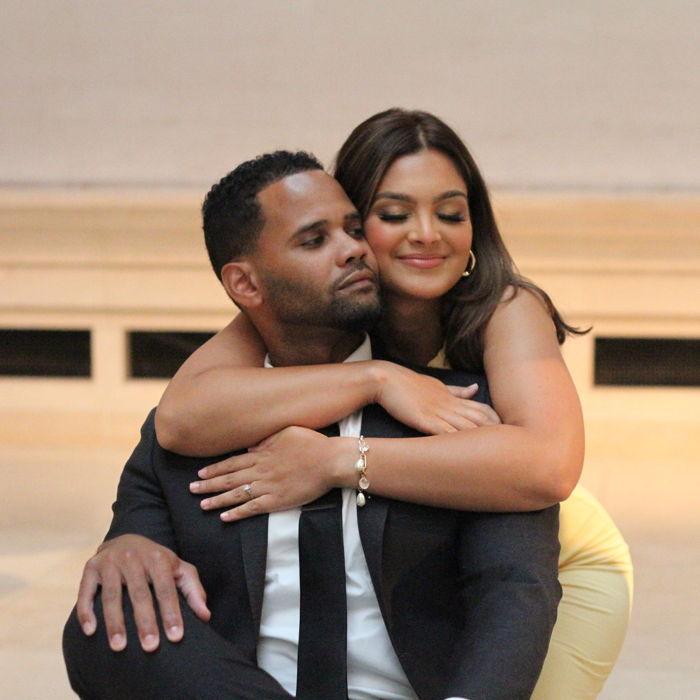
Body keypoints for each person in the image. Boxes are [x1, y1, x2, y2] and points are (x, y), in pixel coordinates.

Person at [153, 109, 633, 698]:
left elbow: (548, 466)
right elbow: (183, 414)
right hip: (445, 544)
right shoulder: (332, 298)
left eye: (451, 214)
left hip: (562, 561)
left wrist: (337, 460)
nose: (427, 234)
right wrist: (377, 378)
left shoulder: (504, 309)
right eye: (394, 214)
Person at [63, 150, 562, 700]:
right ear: (245, 284)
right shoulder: (197, 424)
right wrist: (125, 544)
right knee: (107, 617)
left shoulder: (457, 408)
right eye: (314, 240)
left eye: (354, 229)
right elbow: (131, 566)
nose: (353, 249)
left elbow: (513, 588)